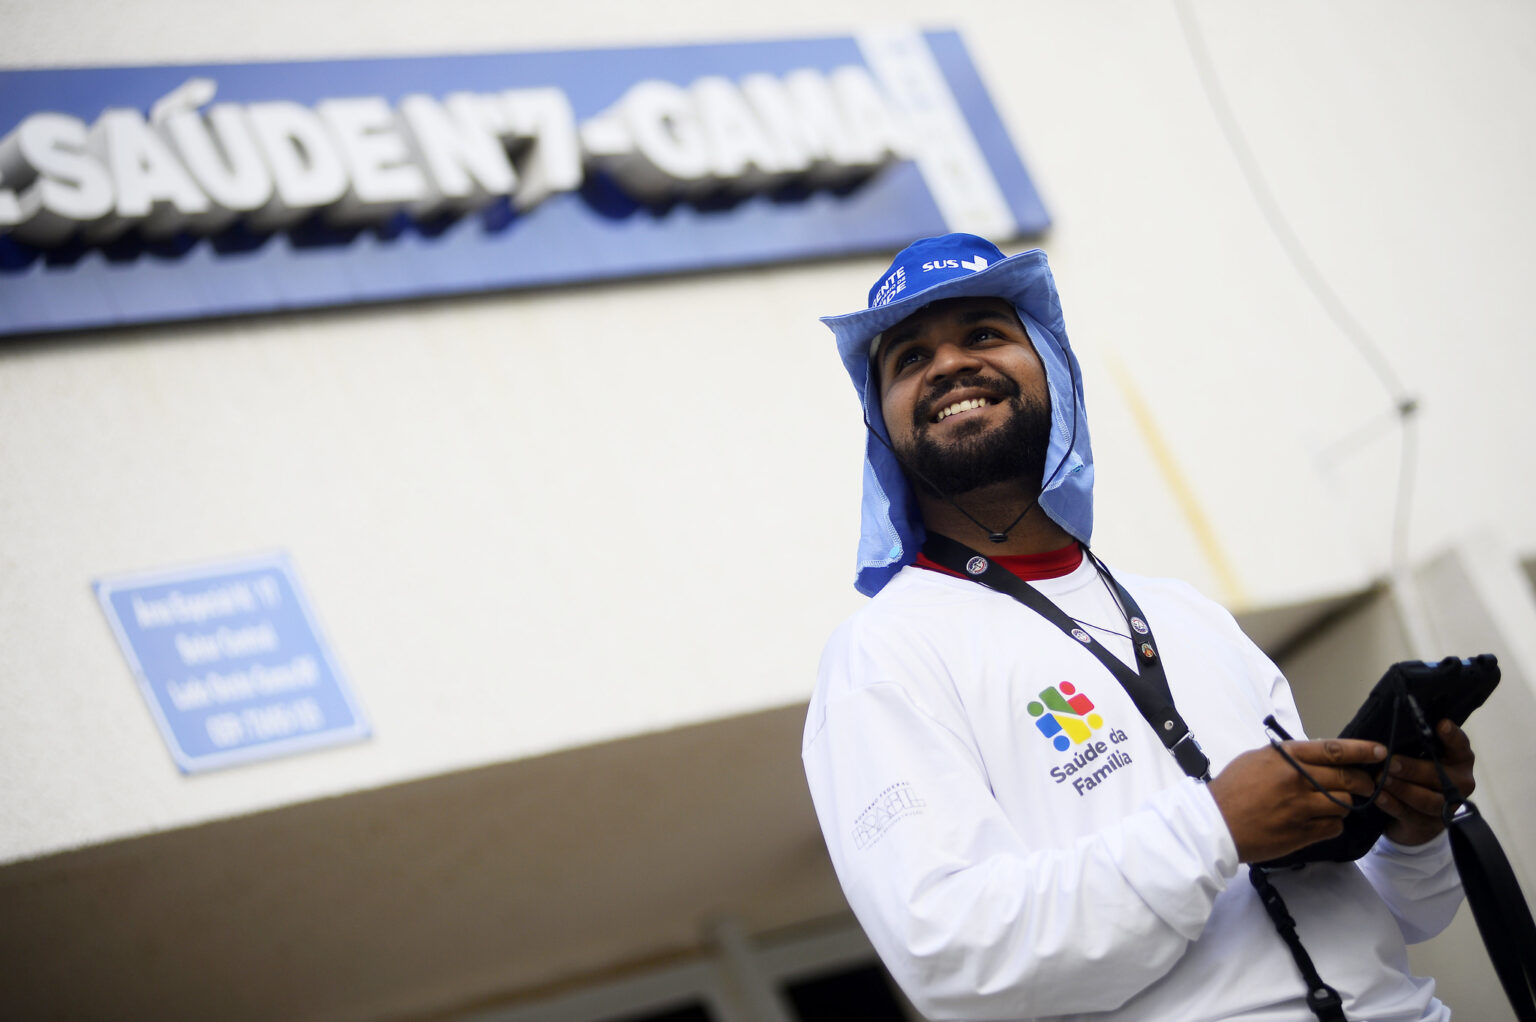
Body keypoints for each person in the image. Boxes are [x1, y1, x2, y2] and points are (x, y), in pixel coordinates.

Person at [802, 233, 1477, 1021]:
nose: (949, 364)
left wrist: (1412, 833)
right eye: (910, 358)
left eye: (984, 333)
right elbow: (953, 960)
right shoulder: (883, 656)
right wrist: (1215, 828)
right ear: (881, 424)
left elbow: (1390, 917)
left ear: (1054, 369)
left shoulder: (1188, 613)